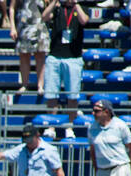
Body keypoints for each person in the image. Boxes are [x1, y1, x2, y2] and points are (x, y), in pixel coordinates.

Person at [42, 0, 86, 138]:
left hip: (73, 57)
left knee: (72, 95)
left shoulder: (81, 7)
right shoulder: (57, 9)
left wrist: (75, 4)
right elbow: (44, 17)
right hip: (55, 56)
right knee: (51, 94)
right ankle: (51, 126)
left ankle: (69, 126)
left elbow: (84, 20)